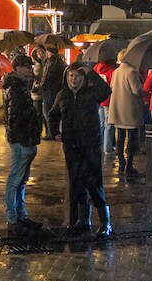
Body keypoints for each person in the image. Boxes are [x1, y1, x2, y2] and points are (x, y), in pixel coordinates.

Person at [47, 64, 113, 238]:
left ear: (83, 78)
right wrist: (55, 133)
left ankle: (105, 222)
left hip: (90, 144)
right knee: (76, 183)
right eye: (70, 76)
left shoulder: (91, 94)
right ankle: (83, 220)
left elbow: (106, 91)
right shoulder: (62, 95)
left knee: (93, 182)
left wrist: (90, 73)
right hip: (71, 145)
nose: (73, 79)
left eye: (77, 76)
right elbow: (52, 114)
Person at [1, 60, 42, 234]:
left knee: (21, 180)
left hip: (27, 139)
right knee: (15, 180)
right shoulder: (16, 89)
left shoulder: (22, 87)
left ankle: (21, 215)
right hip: (22, 140)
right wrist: (19, 138)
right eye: (27, 66)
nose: (31, 70)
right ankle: (13, 219)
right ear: (18, 69)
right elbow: (13, 118)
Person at [108, 57, 144, 176]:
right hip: (130, 108)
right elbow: (136, 90)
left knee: (120, 136)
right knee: (132, 136)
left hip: (118, 107)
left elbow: (112, 86)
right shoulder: (131, 71)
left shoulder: (116, 71)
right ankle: (129, 164)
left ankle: (121, 163)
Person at [39, 50, 66, 140]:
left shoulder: (51, 62)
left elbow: (47, 77)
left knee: (47, 110)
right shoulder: (60, 62)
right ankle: (53, 131)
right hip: (56, 89)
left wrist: (42, 85)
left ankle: (52, 132)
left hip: (50, 90)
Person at [93, 57, 118, 153]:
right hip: (108, 100)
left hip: (98, 99)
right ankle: (107, 148)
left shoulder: (96, 68)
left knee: (101, 124)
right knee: (109, 125)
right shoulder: (111, 71)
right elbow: (113, 87)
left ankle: (101, 146)